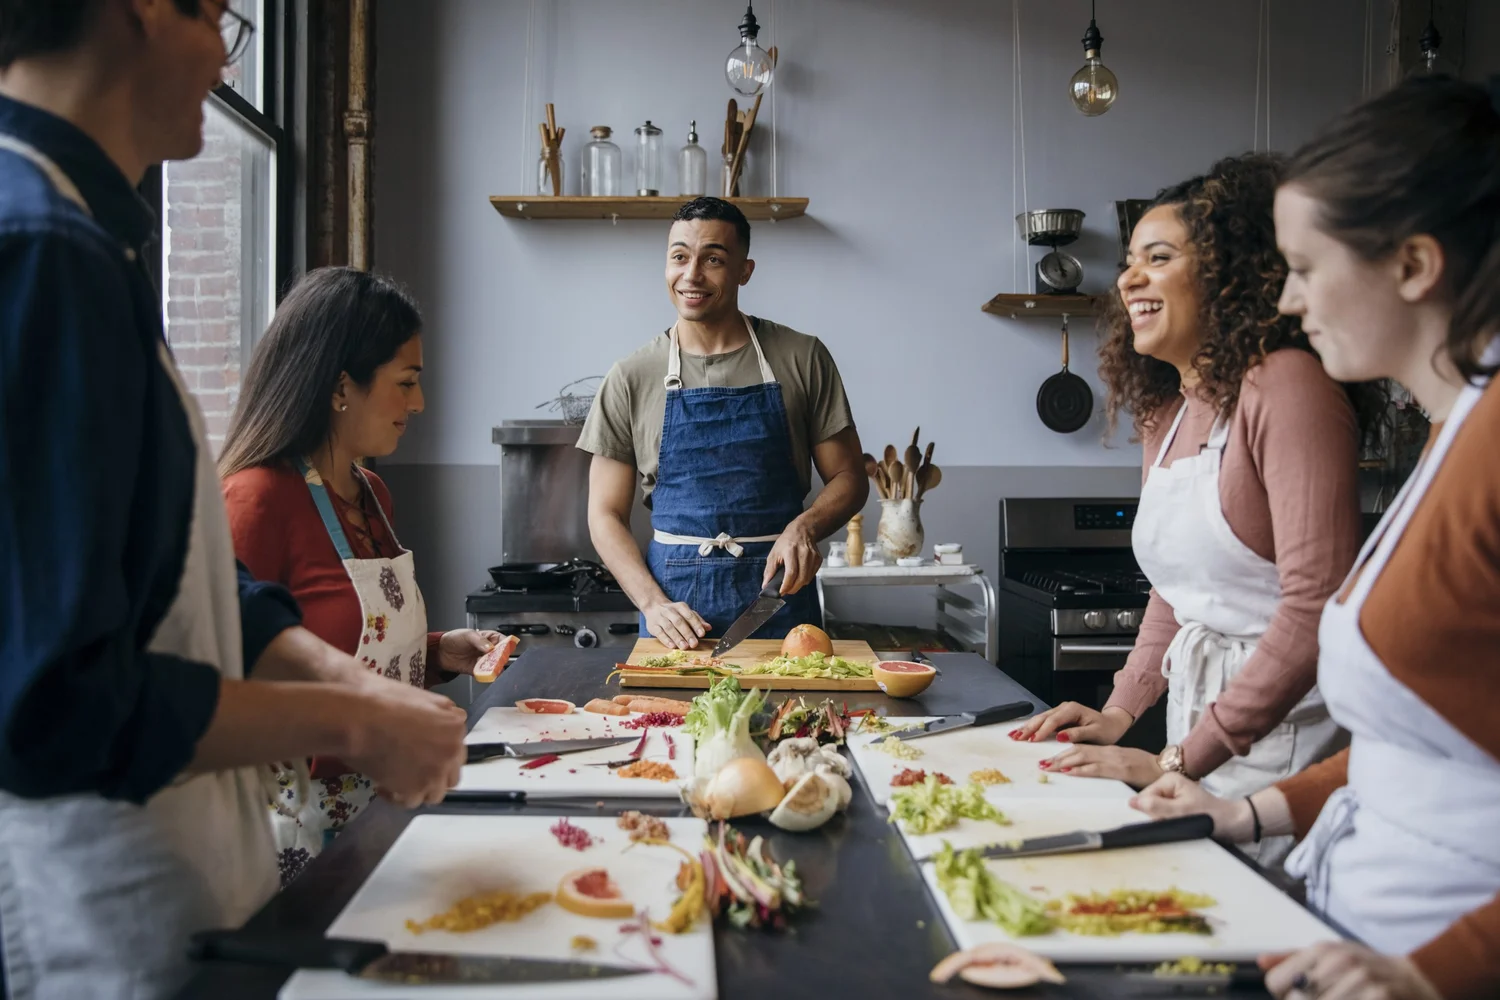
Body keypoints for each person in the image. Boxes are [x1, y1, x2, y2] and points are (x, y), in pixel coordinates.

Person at [0, 2, 466, 995]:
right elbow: (51, 705)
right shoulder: (42, 250)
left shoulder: (88, 242)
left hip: (188, 876)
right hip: (99, 908)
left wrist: (355, 686)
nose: (223, 57)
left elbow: (192, 585)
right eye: (220, 19)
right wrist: (354, 724)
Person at [1133, 75, 1500, 1000]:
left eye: (1305, 267)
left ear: (1413, 266)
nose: (1288, 301)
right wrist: (1245, 814)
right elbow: (1406, 753)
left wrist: (1432, 974)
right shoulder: (1453, 432)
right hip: (1348, 932)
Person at [1013, 154, 1379, 867]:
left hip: (1286, 737)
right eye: (1129, 262)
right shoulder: (1169, 413)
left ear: (1229, 274)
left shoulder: (1286, 387)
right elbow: (1175, 593)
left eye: (1158, 258)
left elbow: (1314, 611)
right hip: (1200, 727)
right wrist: (1119, 713)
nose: (1128, 279)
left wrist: (1178, 758)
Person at [221, 267, 505, 884]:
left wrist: (439, 652)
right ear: (340, 386)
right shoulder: (255, 499)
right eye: (406, 382)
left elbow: (345, 645)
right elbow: (233, 683)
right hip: (297, 833)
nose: (418, 403)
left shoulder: (371, 492)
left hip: (386, 809)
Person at [580, 197, 867, 648]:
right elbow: (604, 514)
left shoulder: (802, 356)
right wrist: (653, 604)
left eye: (713, 259)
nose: (691, 275)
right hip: (674, 616)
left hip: (781, 598)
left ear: (744, 271)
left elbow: (850, 477)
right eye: (679, 257)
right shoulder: (630, 376)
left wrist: (804, 527)